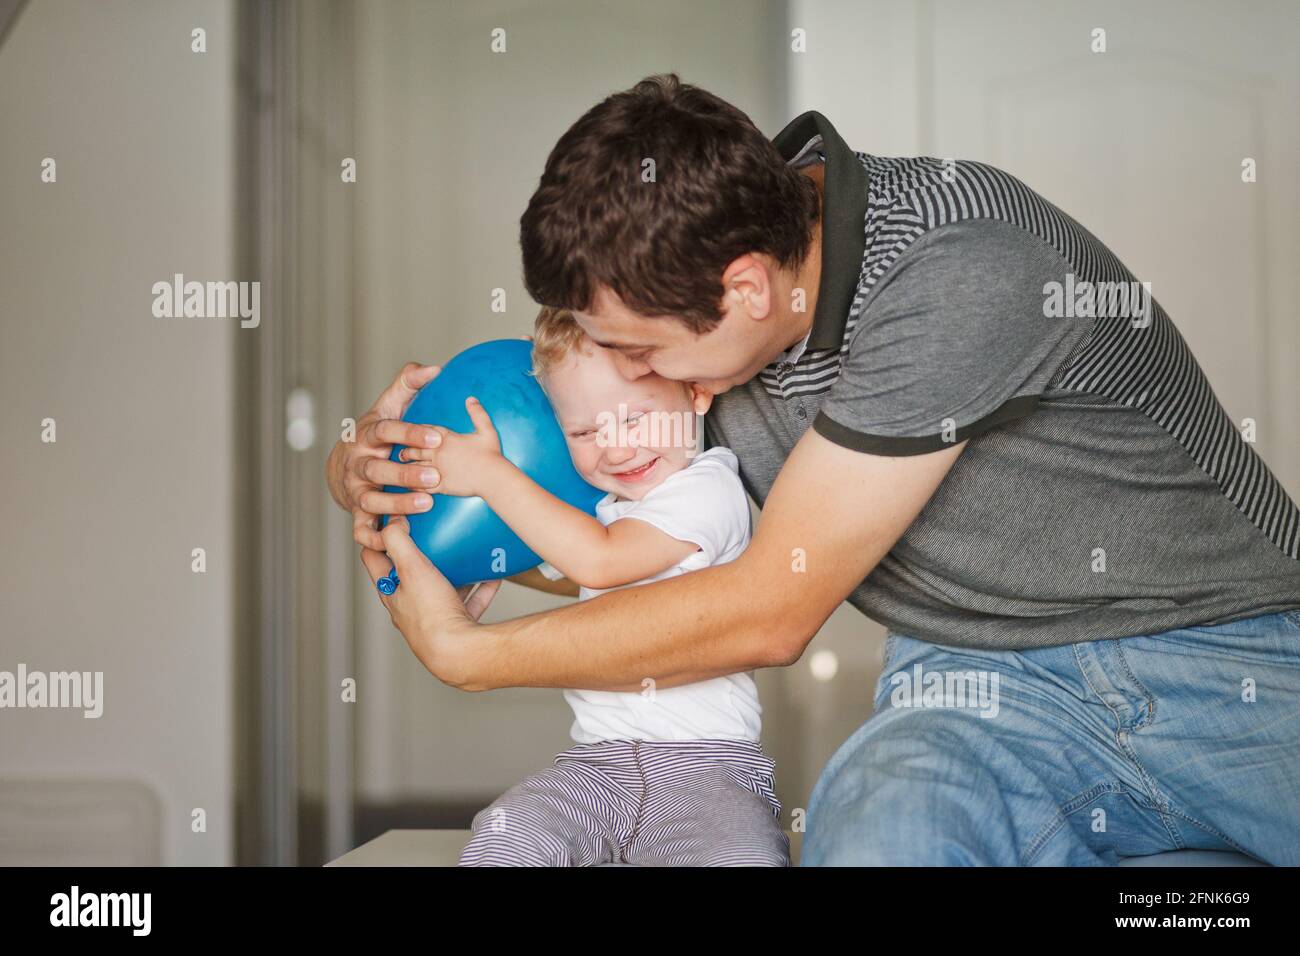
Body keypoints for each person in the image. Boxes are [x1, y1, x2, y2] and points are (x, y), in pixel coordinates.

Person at [337, 75, 1300, 865]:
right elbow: (641, 557)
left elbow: (765, 610)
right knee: (879, 840)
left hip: (1230, 651)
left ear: (745, 288)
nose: (634, 384)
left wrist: (470, 658)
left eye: (642, 354)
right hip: (976, 682)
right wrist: (392, 480)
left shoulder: (958, 265)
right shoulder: (712, 350)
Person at [427, 306, 786, 866]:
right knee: (507, 836)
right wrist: (464, 564)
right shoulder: (609, 507)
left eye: (635, 419)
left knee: (741, 854)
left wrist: (492, 476)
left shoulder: (709, 489)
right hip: (598, 767)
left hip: (709, 770)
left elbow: (599, 562)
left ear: (695, 393)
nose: (615, 449)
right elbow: (561, 563)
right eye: (585, 430)